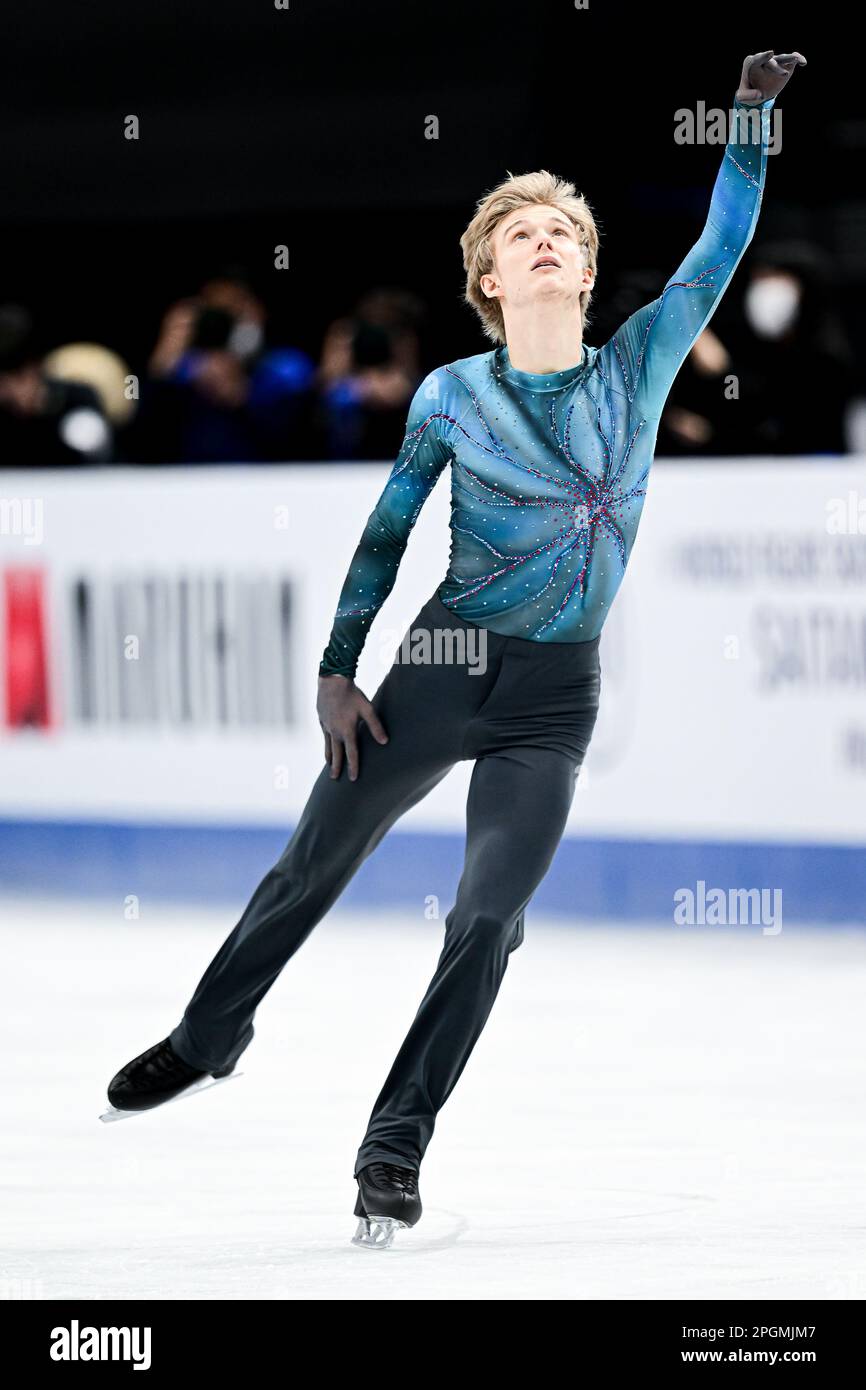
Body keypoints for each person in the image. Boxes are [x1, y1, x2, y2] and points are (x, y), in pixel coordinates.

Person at [105, 51, 806, 1249]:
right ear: (488, 272)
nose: (541, 241)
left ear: (584, 270)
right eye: (519, 231)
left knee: (486, 915)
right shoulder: (448, 394)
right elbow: (385, 536)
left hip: (549, 700)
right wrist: (338, 668)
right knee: (311, 857)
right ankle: (212, 1031)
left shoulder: (636, 365)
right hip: (434, 668)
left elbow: (716, 250)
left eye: (560, 232)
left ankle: (394, 1143)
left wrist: (744, 123)